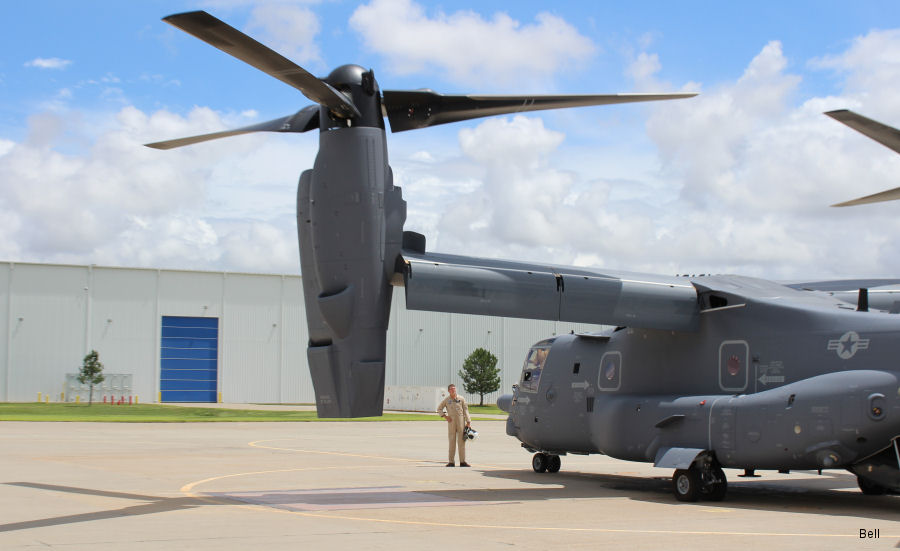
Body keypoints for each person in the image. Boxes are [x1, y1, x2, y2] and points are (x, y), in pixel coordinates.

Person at [436, 383, 471, 467]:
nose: (453, 390)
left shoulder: (461, 399)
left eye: (454, 389)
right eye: (451, 389)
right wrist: (445, 416)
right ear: (449, 391)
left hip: (461, 421)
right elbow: (439, 408)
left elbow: (466, 410)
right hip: (451, 422)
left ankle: (462, 461)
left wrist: (468, 422)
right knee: (452, 441)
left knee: (461, 442)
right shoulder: (447, 400)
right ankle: (451, 462)